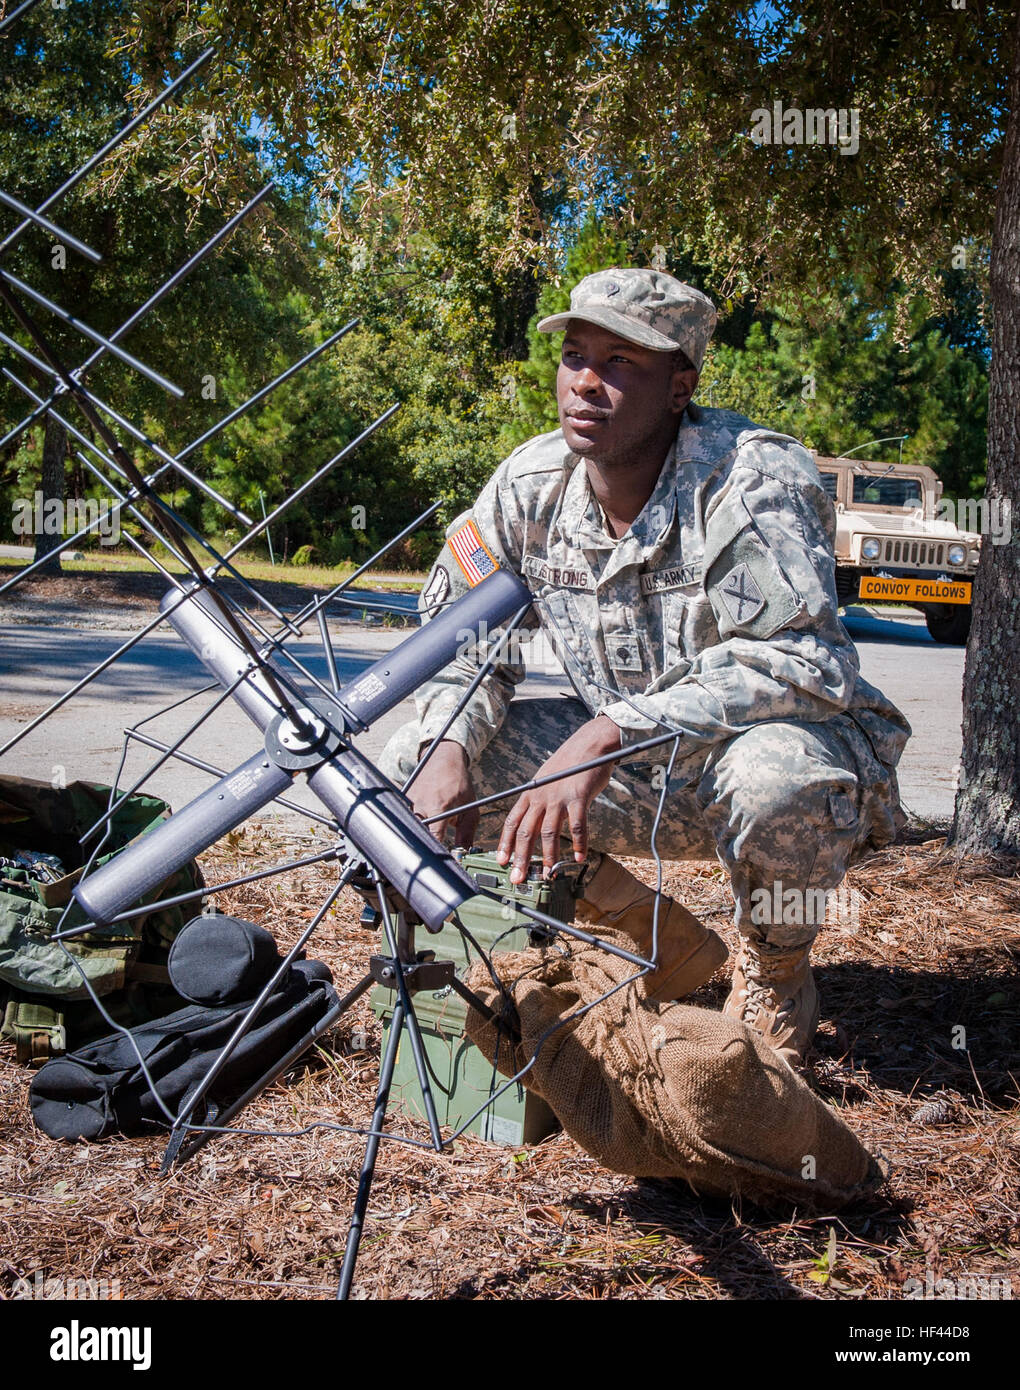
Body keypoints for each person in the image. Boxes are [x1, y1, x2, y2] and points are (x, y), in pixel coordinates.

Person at [380, 267, 910, 1067]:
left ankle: (775, 975)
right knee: (405, 766)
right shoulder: (530, 487)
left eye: (621, 364)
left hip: (767, 761)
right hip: (633, 772)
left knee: (776, 781)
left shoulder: (750, 477)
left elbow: (807, 660)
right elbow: (465, 640)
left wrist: (609, 730)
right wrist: (448, 748)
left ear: (678, 386)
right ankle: (650, 932)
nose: (585, 384)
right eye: (575, 357)